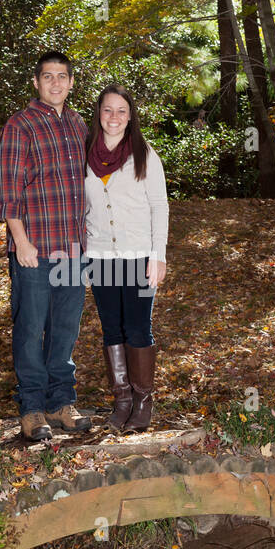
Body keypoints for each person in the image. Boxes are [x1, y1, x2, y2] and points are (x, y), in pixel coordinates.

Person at [0, 51, 92, 441]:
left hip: (73, 248)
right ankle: (32, 409)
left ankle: (60, 402)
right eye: (47, 77)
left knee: (65, 330)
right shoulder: (20, 125)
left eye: (62, 76)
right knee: (31, 329)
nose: (55, 83)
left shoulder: (78, 124)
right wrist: (20, 241)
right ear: (36, 83)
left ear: (71, 82)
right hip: (34, 246)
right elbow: (7, 191)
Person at [84, 85, 168, 432]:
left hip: (138, 257)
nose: (114, 117)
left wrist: (158, 255)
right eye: (108, 110)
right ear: (99, 113)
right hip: (101, 257)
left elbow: (159, 206)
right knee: (111, 329)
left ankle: (143, 401)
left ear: (130, 116)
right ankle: (121, 401)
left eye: (121, 110)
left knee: (137, 328)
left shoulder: (145, 155)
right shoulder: (85, 154)